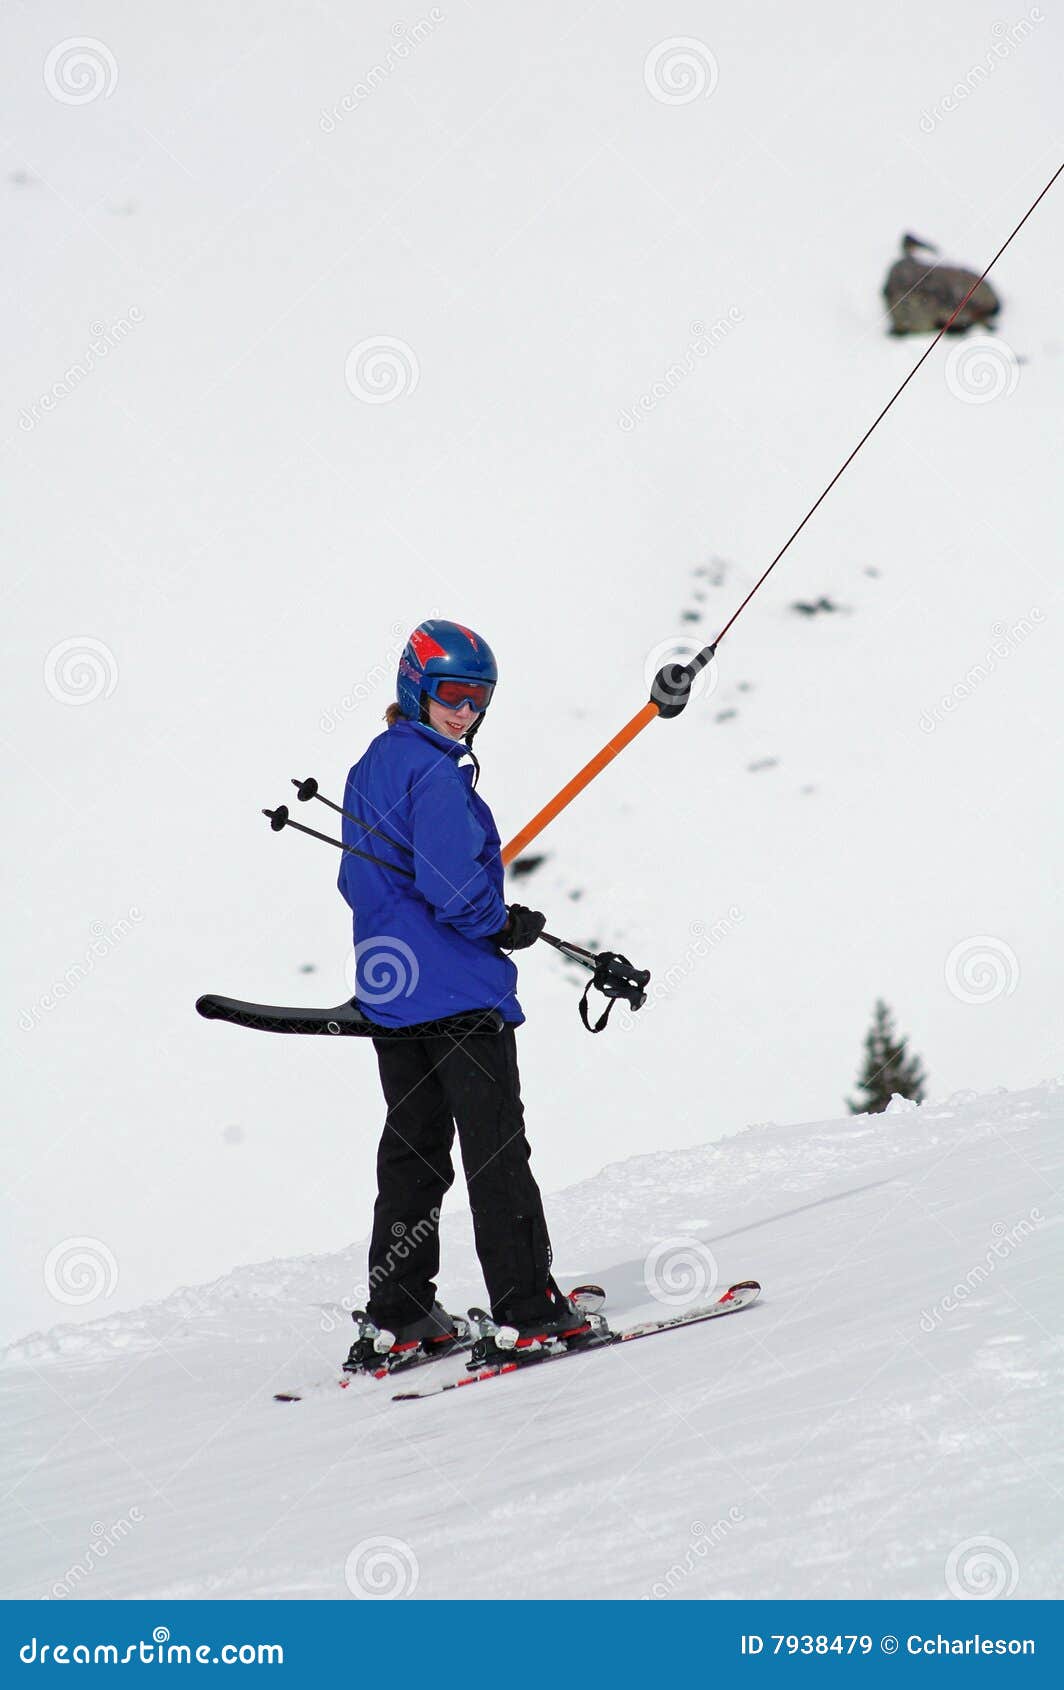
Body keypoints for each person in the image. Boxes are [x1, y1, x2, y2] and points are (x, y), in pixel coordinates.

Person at [337, 619, 589, 1370]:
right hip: (457, 994)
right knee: (496, 1151)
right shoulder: (437, 774)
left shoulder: (371, 766)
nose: (466, 711)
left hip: (393, 996)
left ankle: (400, 1311)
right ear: (415, 684)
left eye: (479, 698)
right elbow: (452, 887)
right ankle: (525, 1308)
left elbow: (358, 879)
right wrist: (499, 921)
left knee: (414, 1152)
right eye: (452, 692)